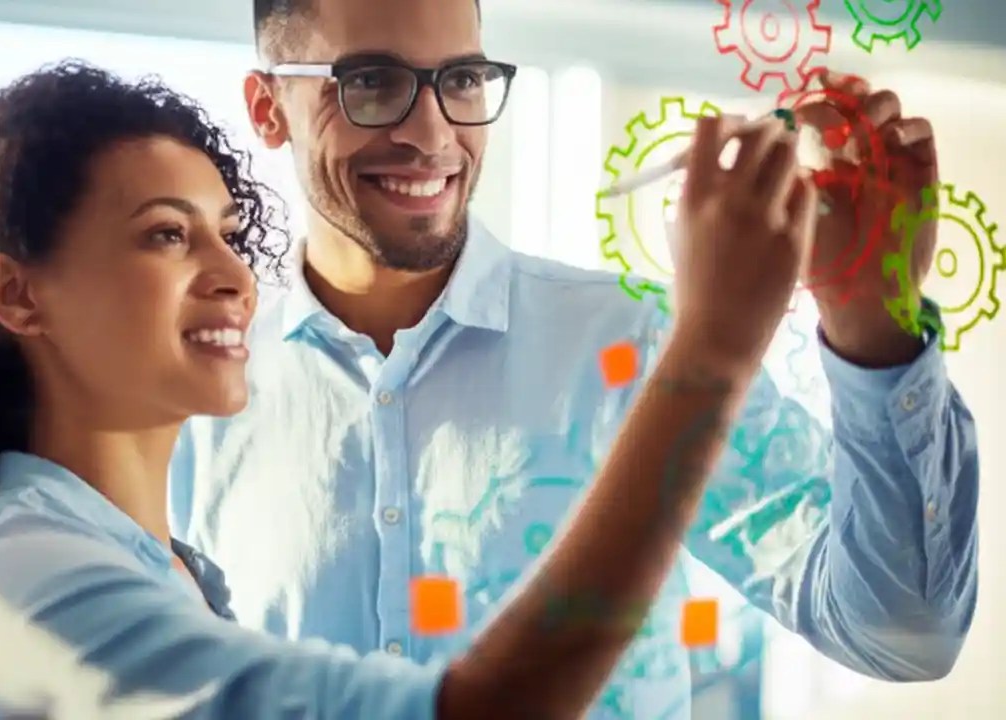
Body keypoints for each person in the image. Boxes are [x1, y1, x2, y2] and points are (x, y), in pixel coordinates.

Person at [0, 60, 822, 719]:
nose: (232, 272)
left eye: (226, 233)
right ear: (20, 295)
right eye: (163, 235)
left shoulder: (174, 572)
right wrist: (710, 349)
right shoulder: (24, 575)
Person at [167, 0, 980, 715]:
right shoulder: (186, 404)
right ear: (268, 106)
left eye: (462, 80)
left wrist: (875, 329)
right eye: (373, 82)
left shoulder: (638, 345)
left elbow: (903, 634)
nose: (431, 134)